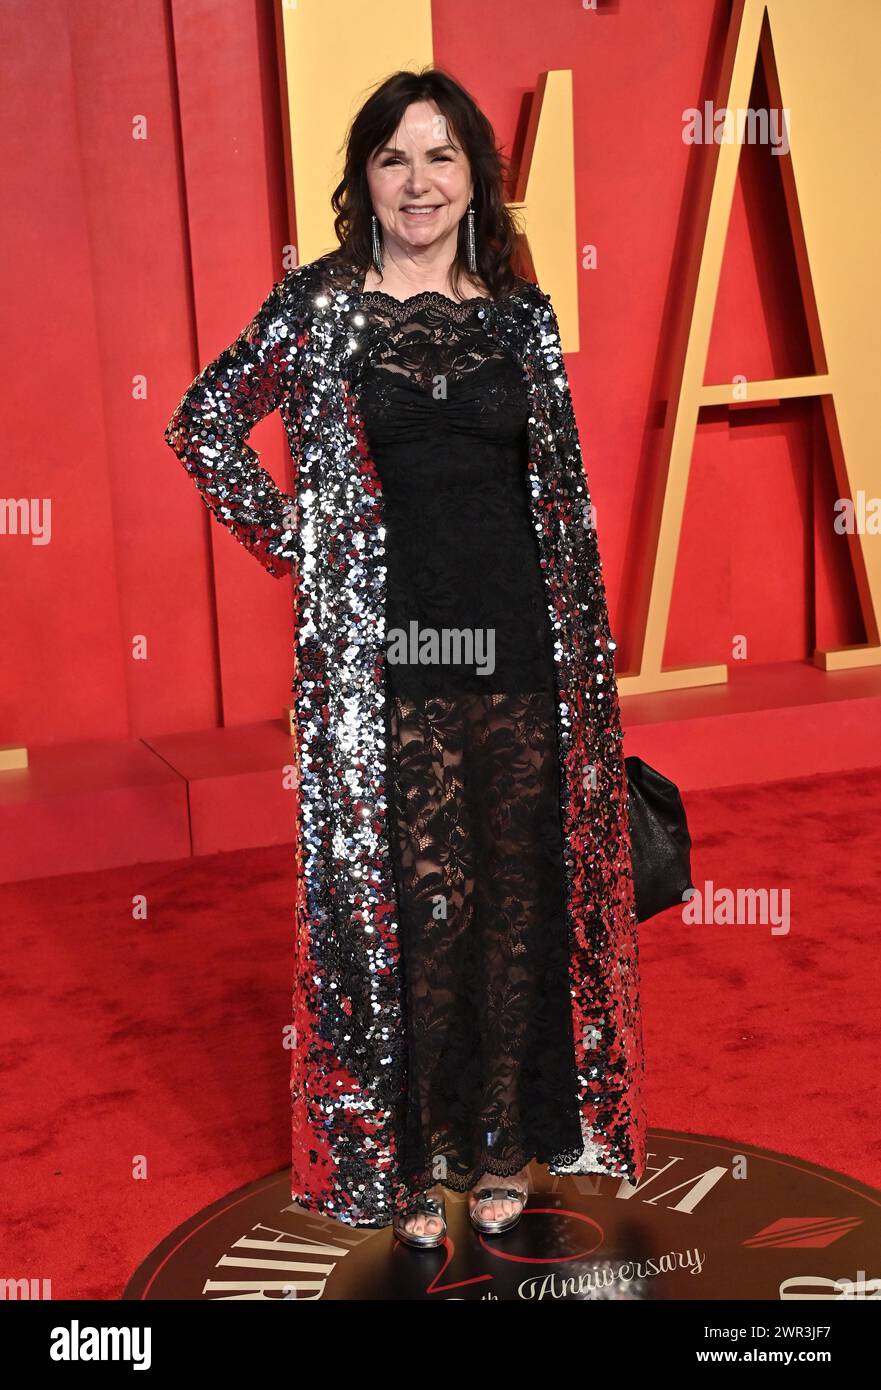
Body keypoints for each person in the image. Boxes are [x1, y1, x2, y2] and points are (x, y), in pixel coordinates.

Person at [164, 66, 645, 1250]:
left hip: (521, 640)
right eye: (392, 158)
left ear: (475, 174)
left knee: (518, 896)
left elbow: (562, 501)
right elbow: (203, 423)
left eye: (438, 157)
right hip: (395, 650)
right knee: (424, 904)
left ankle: (496, 1143)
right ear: (363, 178)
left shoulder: (519, 315)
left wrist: (586, 662)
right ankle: (410, 1150)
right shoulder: (319, 306)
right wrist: (304, 548)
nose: (417, 182)